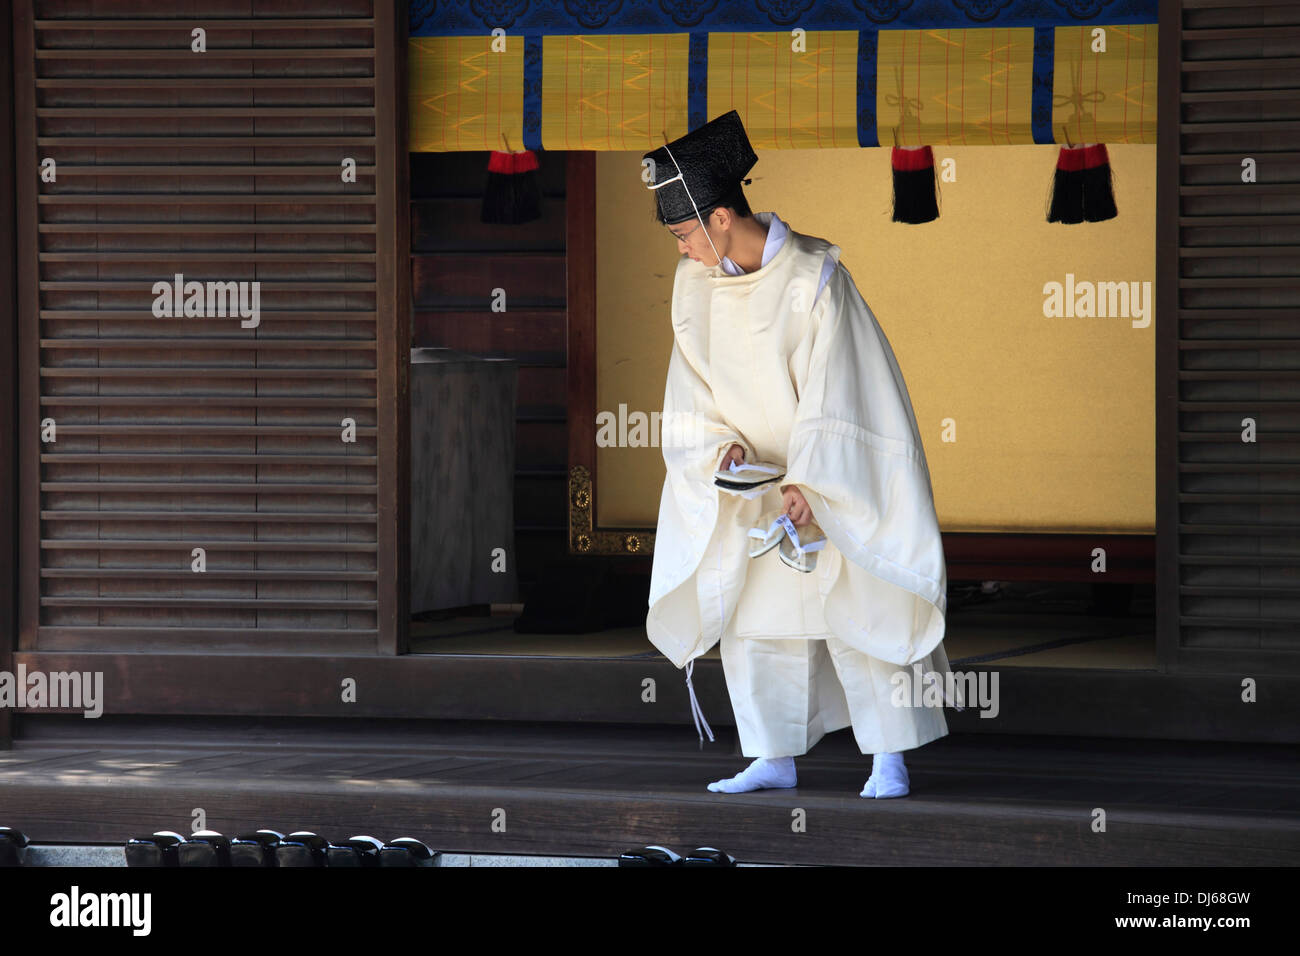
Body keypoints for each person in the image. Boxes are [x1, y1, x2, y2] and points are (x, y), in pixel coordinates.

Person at [643, 110, 962, 798]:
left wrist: (813, 483)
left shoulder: (815, 277)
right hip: (753, 482)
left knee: (859, 604)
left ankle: (889, 757)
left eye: (682, 233)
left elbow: (844, 392)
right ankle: (771, 754)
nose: (681, 251)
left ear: (720, 217)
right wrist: (718, 448)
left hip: (831, 480)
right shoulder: (694, 289)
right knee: (757, 616)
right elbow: (689, 390)